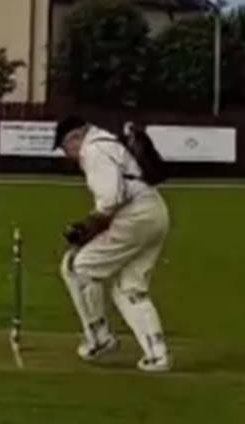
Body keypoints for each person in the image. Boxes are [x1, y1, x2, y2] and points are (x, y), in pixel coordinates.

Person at [54, 116, 172, 373]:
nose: (69, 155)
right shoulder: (108, 143)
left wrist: (87, 226)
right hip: (156, 213)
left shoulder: (93, 150)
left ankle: (99, 337)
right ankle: (157, 354)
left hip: (134, 216)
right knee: (130, 288)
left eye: (65, 148)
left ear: (75, 137)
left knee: (77, 267)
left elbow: (111, 198)